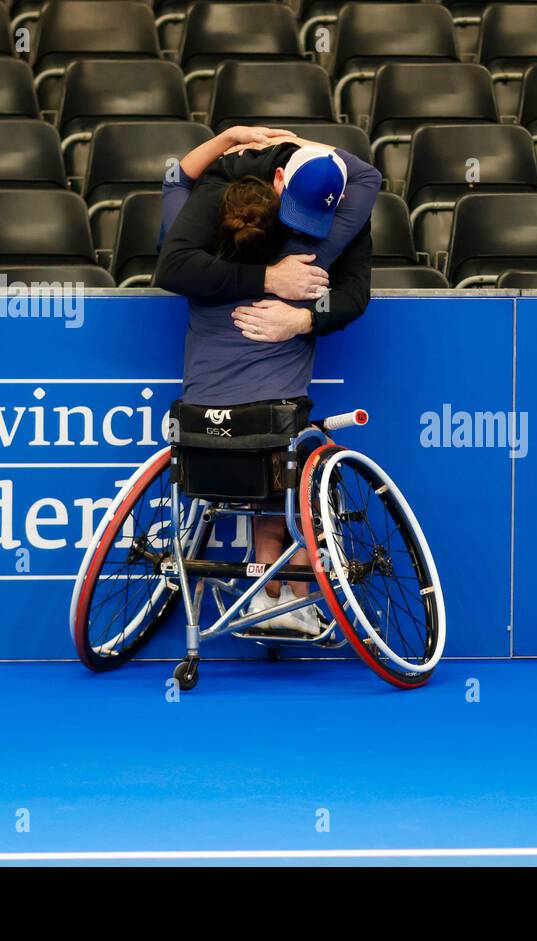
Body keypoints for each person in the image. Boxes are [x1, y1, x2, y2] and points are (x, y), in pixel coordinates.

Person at [154, 125, 382, 633]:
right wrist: (304, 143)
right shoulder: (308, 260)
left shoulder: (198, 264)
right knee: (289, 461)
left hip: (200, 435)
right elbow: (367, 176)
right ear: (281, 195)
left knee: (273, 456)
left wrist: (227, 139)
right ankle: (293, 595)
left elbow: (174, 183)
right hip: (272, 433)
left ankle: (269, 596)